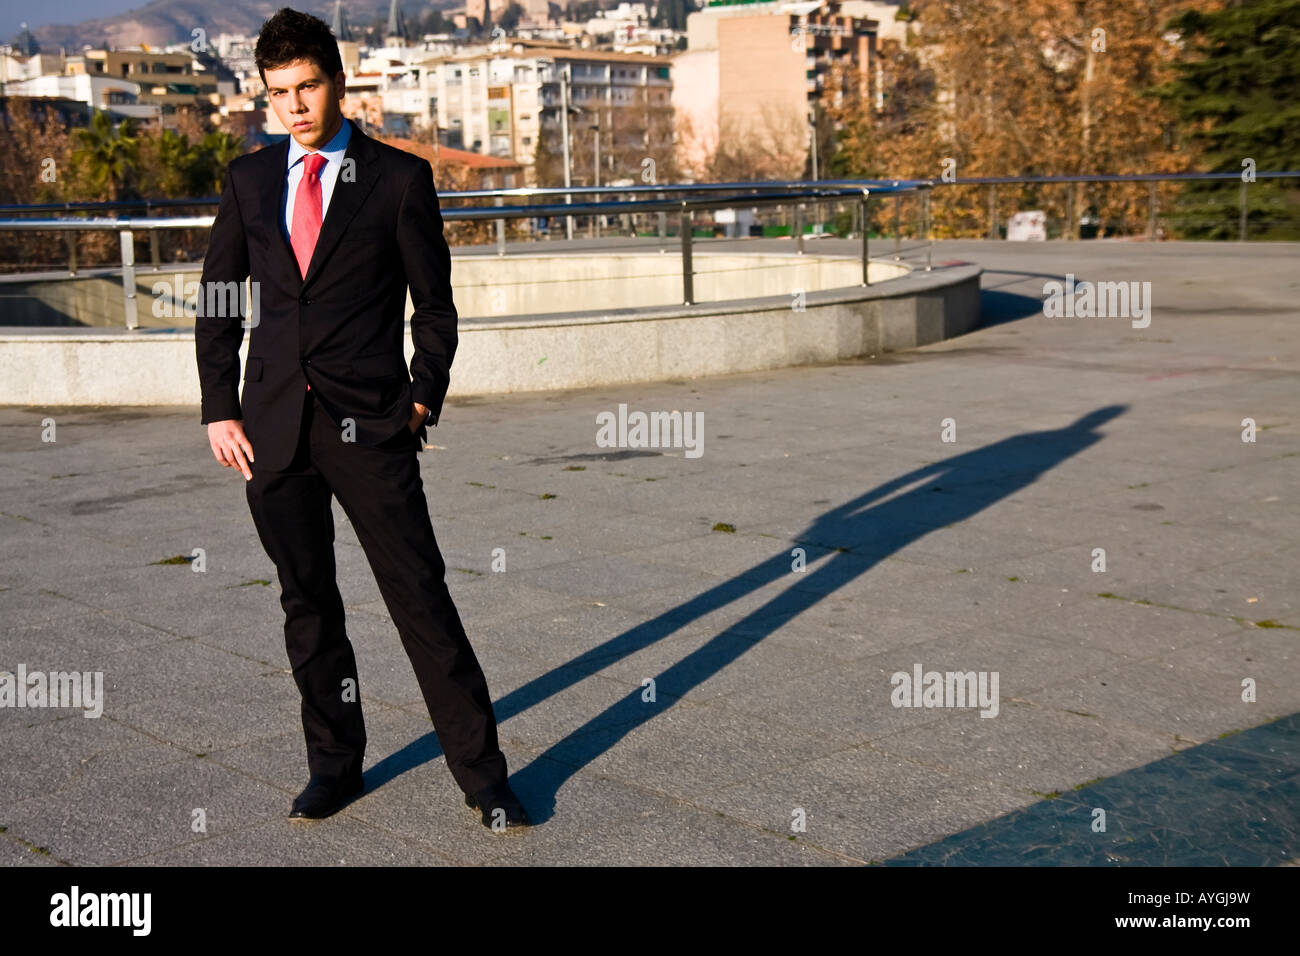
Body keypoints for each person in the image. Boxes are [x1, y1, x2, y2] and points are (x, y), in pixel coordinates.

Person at [194, 7, 528, 831]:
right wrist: (217, 409)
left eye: (308, 86)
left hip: (371, 427)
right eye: (280, 93)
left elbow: (435, 308)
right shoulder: (248, 181)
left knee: (420, 597)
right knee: (306, 604)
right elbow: (217, 306)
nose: (296, 105)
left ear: (337, 81)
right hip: (271, 431)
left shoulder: (398, 180)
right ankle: (334, 767)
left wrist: (421, 396)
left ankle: (484, 778)